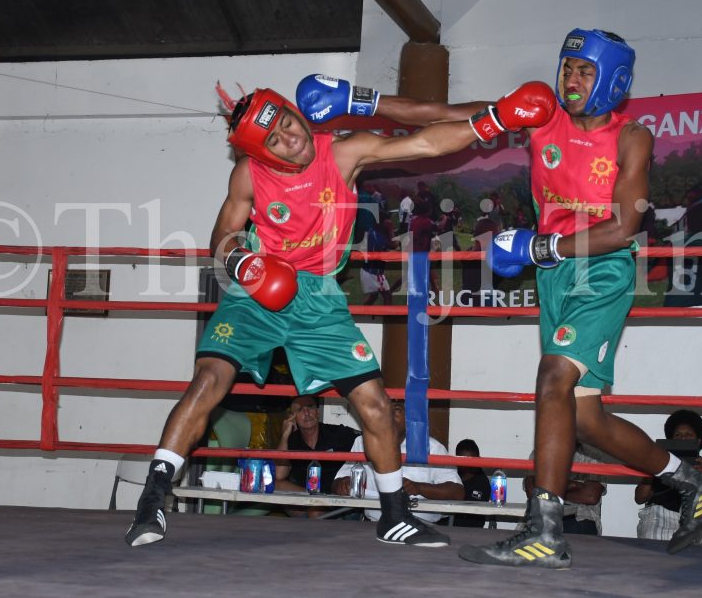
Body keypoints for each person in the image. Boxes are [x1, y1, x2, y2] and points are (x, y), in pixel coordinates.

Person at [300, 29, 702, 567]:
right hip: (554, 274)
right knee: (587, 419)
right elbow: (443, 112)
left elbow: (623, 226)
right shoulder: (541, 114)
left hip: (600, 270)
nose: (571, 81)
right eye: (567, 68)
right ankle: (692, 482)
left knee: (552, 380)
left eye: (585, 72)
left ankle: (545, 528)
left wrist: (539, 245)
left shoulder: (631, 137)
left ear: (614, 81)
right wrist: (354, 101)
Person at [124, 78, 556, 547]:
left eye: (290, 124)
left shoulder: (343, 153)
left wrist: (493, 121)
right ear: (261, 153)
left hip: (319, 297)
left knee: (372, 402)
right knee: (210, 378)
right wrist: (239, 260)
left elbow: (425, 141)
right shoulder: (248, 175)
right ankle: (153, 499)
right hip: (258, 289)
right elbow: (223, 234)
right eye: (277, 140)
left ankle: (393, 514)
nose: (293, 139)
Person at [331, 401, 464, 524]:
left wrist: (419, 488)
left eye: (395, 409)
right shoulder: (362, 443)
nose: (388, 415)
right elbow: (336, 484)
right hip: (373, 526)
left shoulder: (431, 447)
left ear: (409, 417)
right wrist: (342, 485)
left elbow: (457, 492)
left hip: (420, 526)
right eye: (383, 410)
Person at [634, 410, 702, 544]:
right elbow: (640, 498)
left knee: (695, 550)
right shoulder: (660, 462)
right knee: (656, 543)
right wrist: (651, 469)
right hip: (660, 517)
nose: (683, 438)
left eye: (688, 435)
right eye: (678, 435)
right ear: (671, 440)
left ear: (698, 440)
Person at [273, 394, 360, 518]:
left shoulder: (337, 433)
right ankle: (315, 505)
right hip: (307, 495)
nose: (306, 412)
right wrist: (285, 435)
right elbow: (279, 475)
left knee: (315, 511)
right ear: (292, 417)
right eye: (299, 409)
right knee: (276, 484)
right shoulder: (291, 440)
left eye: (310, 407)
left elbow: (366, 441)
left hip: (334, 494)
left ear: (318, 412)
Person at [524, 442, 607, 536]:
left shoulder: (593, 456)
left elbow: (590, 496)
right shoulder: (540, 452)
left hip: (579, 518)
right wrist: (573, 485)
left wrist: (549, 489)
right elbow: (531, 491)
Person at [451, 439, 491, 528]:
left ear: (478, 459)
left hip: (470, 528)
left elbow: (473, 513)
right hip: (446, 524)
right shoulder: (450, 475)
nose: (467, 465)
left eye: (471, 461)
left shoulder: (482, 482)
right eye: (463, 461)